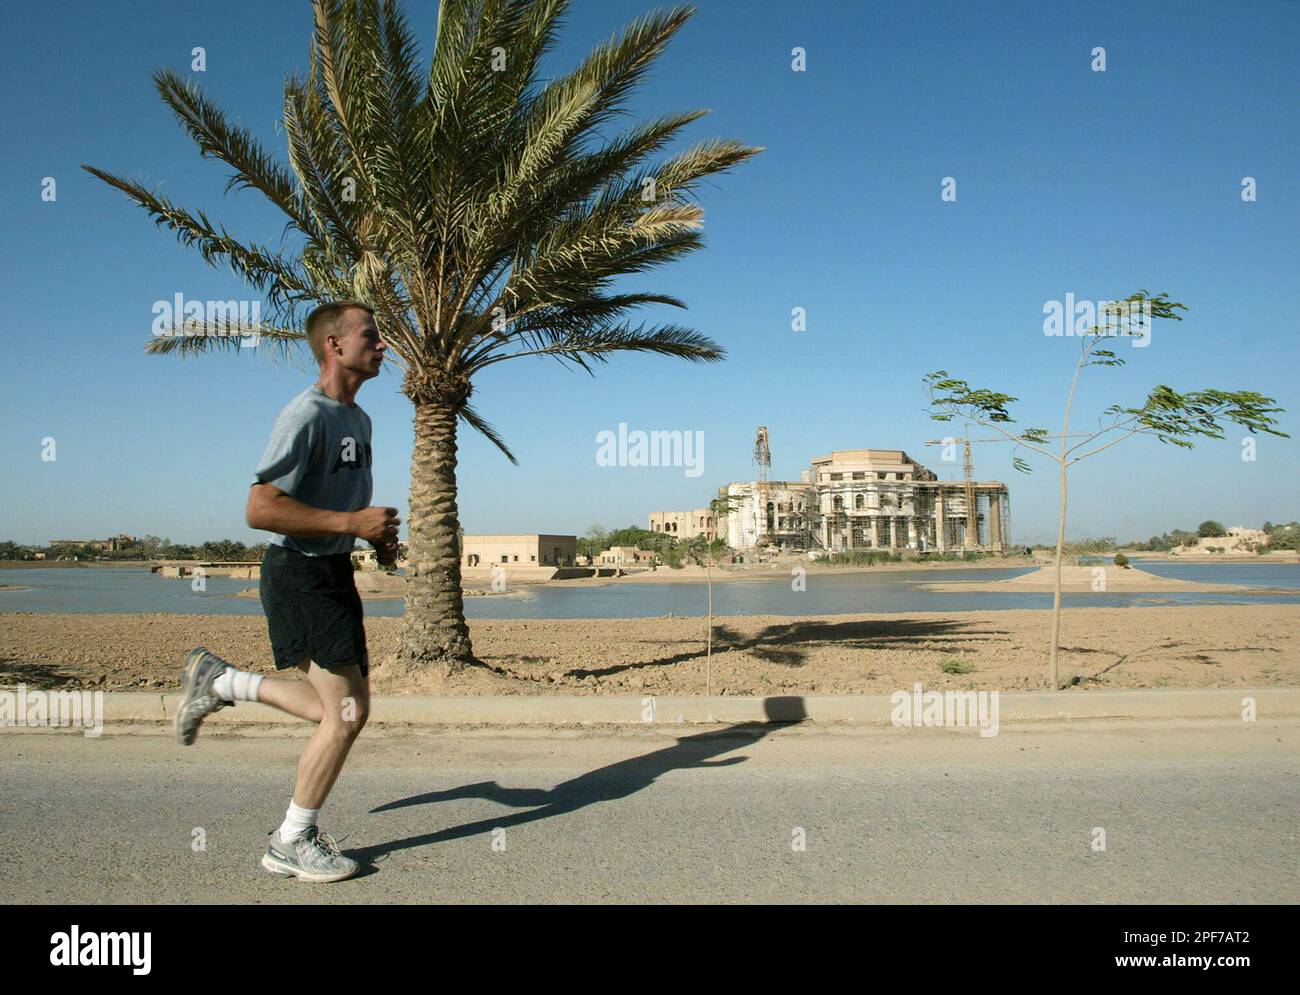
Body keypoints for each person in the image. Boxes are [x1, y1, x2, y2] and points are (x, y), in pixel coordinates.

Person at [174, 300, 400, 883]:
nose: (383, 347)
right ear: (334, 346)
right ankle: (291, 839)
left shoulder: (361, 421)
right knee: (347, 714)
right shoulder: (306, 414)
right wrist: (353, 524)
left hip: (332, 573)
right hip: (297, 573)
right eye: (371, 337)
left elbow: (338, 505)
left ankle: (222, 681)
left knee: (344, 709)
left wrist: (373, 538)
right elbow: (260, 507)